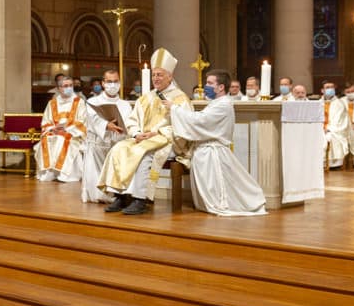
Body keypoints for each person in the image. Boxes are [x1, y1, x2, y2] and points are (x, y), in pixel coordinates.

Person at [98, 48, 192, 215]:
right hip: (144, 138)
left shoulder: (179, 98)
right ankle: (120, 195)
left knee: (144, 154)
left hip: (168, 140)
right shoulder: (146, 97)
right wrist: (136, 133)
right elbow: (132, 120)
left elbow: (185, 124)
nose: (156, 78)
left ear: (170, 76)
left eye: (160, 75)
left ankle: (140, 199)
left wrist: (158, 133)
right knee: (119, 149)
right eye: (154, 74)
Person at [165, 69, 266, 215]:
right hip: (205, 150)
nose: (206, 86)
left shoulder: (223, 104)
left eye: (210, 83)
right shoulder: (216, 103)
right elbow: (200, 118)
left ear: (221, 87)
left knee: (219, 193)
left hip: (213, 152)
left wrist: (174, 108)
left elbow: (200, 121)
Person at [81, 69, 131, 203]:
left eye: (115, 81)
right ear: (103, 83)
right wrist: (106, 125)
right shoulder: (92, 102)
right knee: (95, 175)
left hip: (117, 144)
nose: (112, 85)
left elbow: (129, 124)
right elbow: (91, 120)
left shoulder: (126, 105)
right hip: (97, 144)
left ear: (120, 83)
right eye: (109, 81)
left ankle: (116, 194)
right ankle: (97, 195)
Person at [34, 76, 87, 182]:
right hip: (53, 132)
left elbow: (82, 121)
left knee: (62, 139)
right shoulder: (52, 103)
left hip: (72, 134)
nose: (69, 88)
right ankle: (49, 174)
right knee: (46, 140)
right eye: (65, 86)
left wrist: (66, 129)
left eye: (70, 85)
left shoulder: (79, 102)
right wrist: (53, 128)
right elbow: (46, 121)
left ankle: (64, 174)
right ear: (59, 88)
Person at [321, 80, 349, 169]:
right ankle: (317, 162)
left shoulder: (340, 104)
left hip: (335, 129)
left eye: (331, 87)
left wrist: (328, 128)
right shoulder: (317, 103)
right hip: (319, 129)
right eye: (327, 87)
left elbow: (339, 121)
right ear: (322, 90)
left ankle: (332, 164)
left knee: (329, 137)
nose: (330, 89)